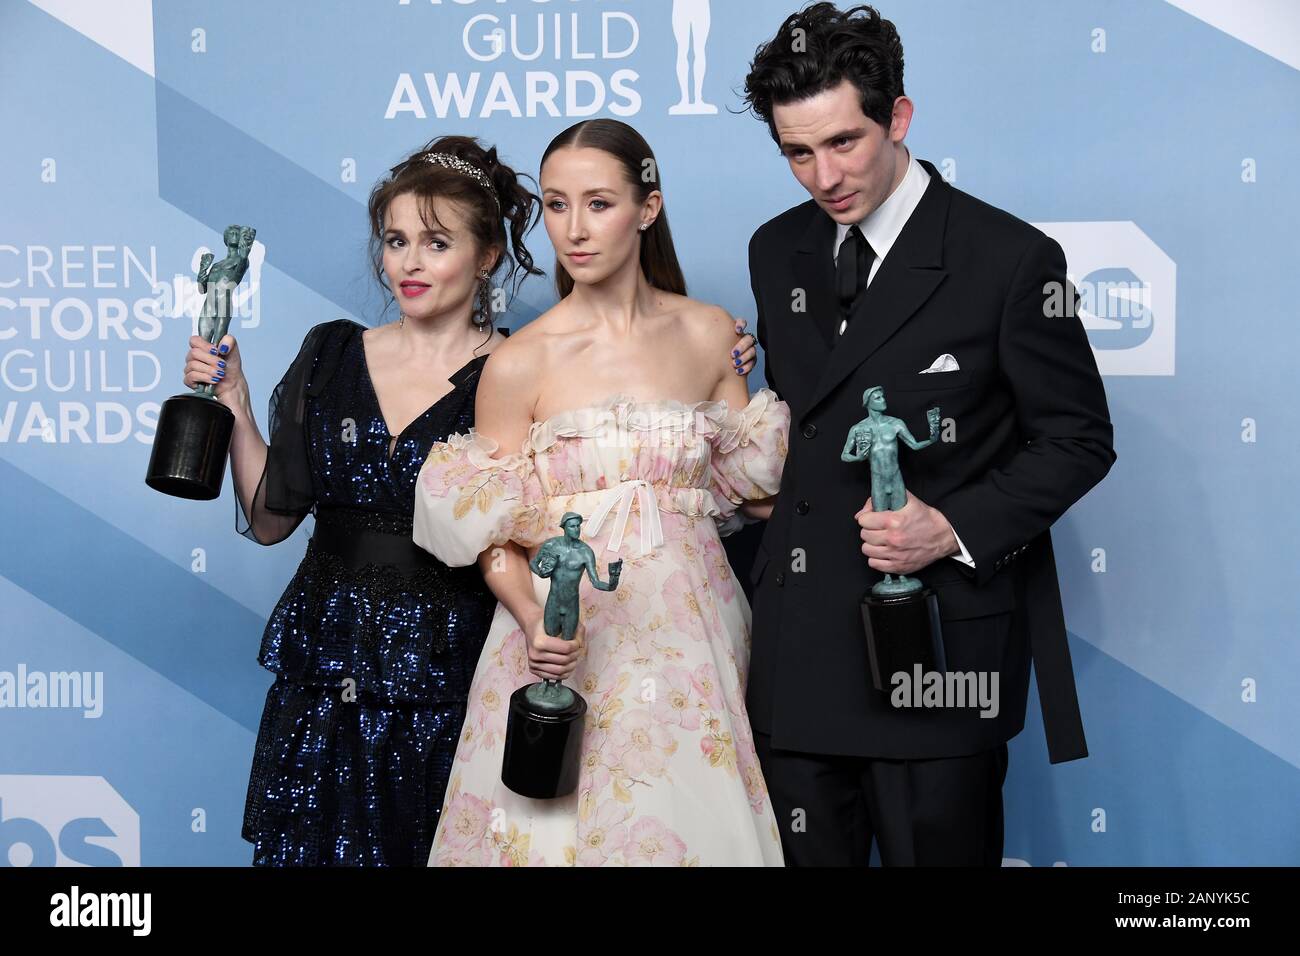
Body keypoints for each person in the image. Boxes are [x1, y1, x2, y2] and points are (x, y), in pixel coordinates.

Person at [741, 3, 1115, 866]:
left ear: (898, 118)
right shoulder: (776, 249)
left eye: (844, 142)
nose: (823, 176)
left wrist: (949, 526)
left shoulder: (1010, 258)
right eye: (797, 152)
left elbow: (1078, 439)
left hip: (938, 655)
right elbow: (805, 415)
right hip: (797, 657)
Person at [413, 118, 789, 866]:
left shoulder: (711, 334)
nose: (574, 230)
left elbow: (760, 499)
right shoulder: (521, 361)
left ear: (648, 208)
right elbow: (486, 532)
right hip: (562, 643)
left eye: (598, 203)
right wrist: (531, 618)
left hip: (694, 645)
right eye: (556, 205)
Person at [181, 136, 543, 865]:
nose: (408, 262)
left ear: (487, 257)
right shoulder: (332, 352)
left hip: (451, 666)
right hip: (326, 659)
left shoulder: (519, 370)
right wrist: (237, 402)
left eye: (436, 242)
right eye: (395, 240)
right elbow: (270, 517)